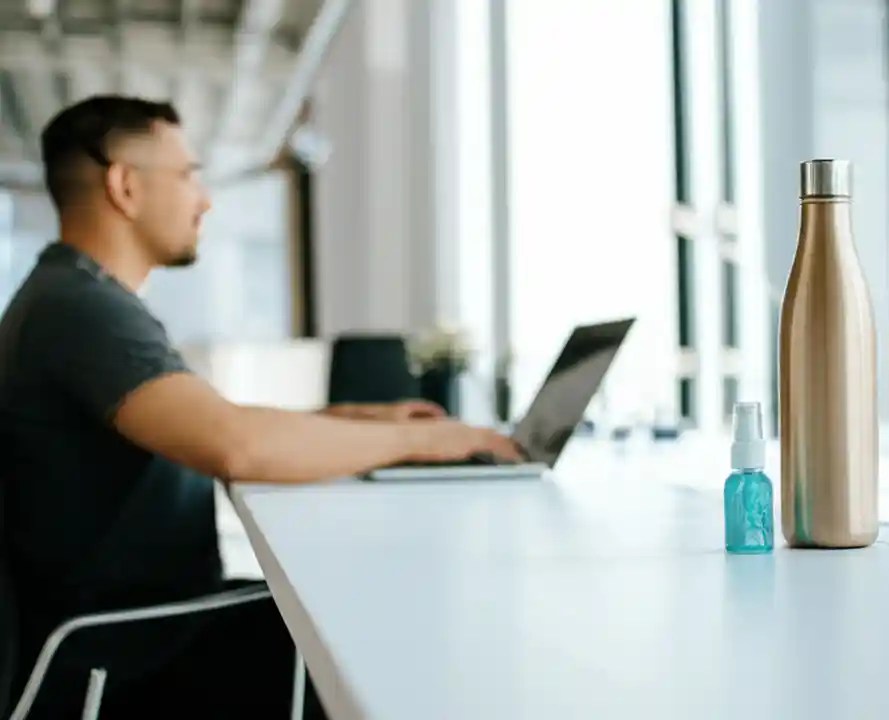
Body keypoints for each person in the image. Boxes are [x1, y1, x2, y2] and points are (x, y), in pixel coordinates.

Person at [0, 95, 520, 718]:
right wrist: (436, 442)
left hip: (134, 631)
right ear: (125, 185)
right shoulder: (82, 309)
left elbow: (206, 417)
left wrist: (351, 422)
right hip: (126, 653)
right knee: (385, 623)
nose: (206, 199)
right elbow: (234, 443)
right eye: (189, 174)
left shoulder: (72, 296)